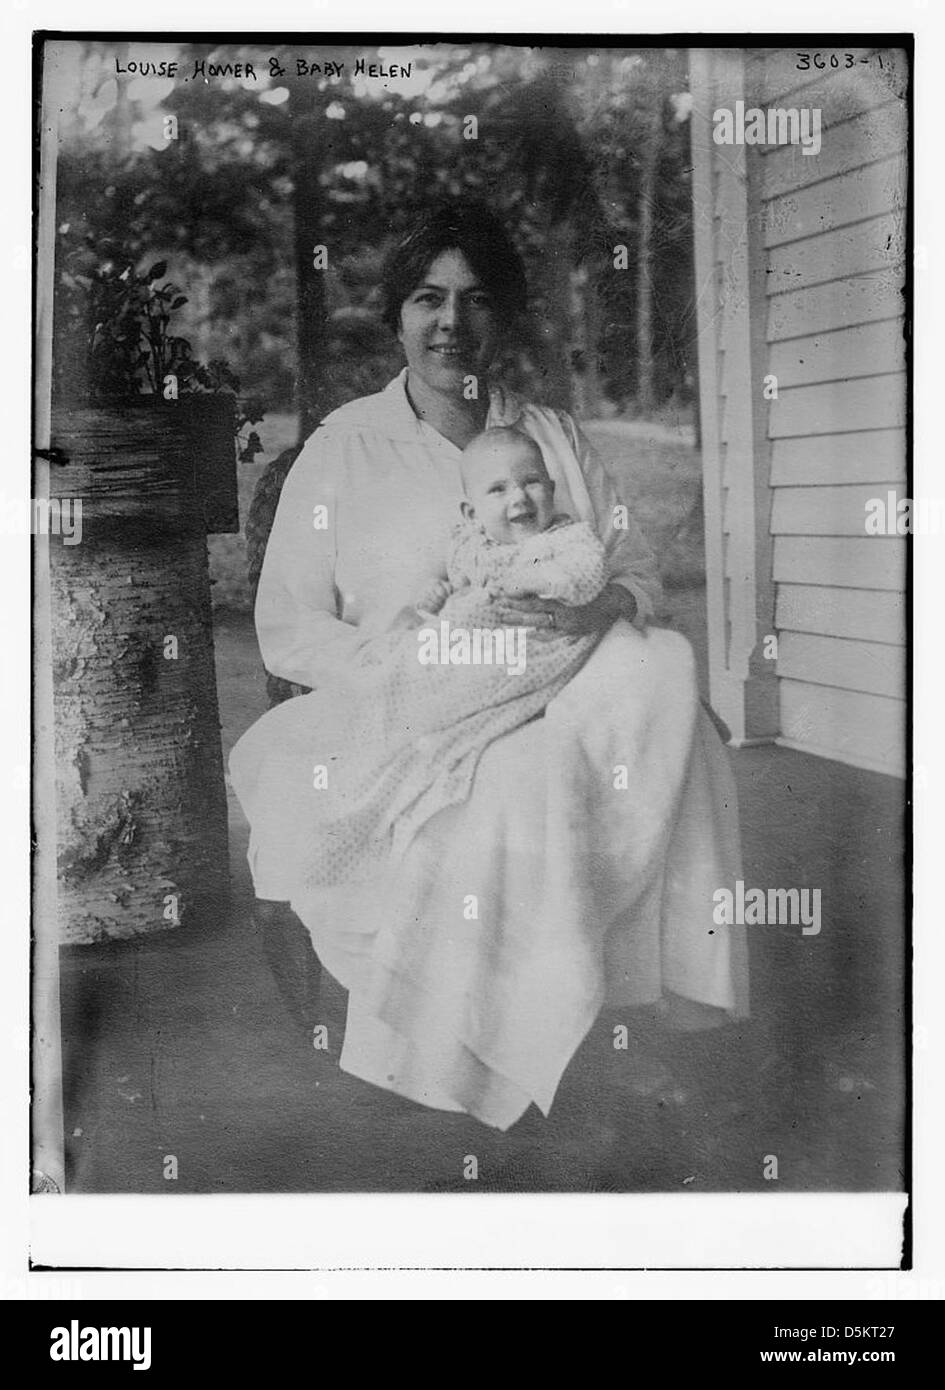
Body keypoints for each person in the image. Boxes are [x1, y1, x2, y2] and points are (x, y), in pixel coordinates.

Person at [230, 199, 748, 1131]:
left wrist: (600, 606)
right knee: (515, 783)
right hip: (407, 696)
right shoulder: (344, 449)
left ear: (500, 314)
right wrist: (408, 666)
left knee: (651, 684)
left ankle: (604, 1010)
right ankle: (489, 1039)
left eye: (473, 301)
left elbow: (635, 572)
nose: (449, 323)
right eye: (427, 298)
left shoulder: (550, 437)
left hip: (567, 683)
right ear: (397, 314)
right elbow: (288, 627)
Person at [289, 425, 610, 893]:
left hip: (527, 648)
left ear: (553, 489)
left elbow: (586, 576)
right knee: (391, 688)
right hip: (460, 642)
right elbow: (457, 587)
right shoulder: (471, 544)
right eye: (498, 489)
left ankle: (387, 801)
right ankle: (353, 810)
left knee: (445, 720)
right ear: (472, 510)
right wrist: (436, 598)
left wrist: (536, 579)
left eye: (532, 482)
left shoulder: (566, 541)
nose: (519, 498)